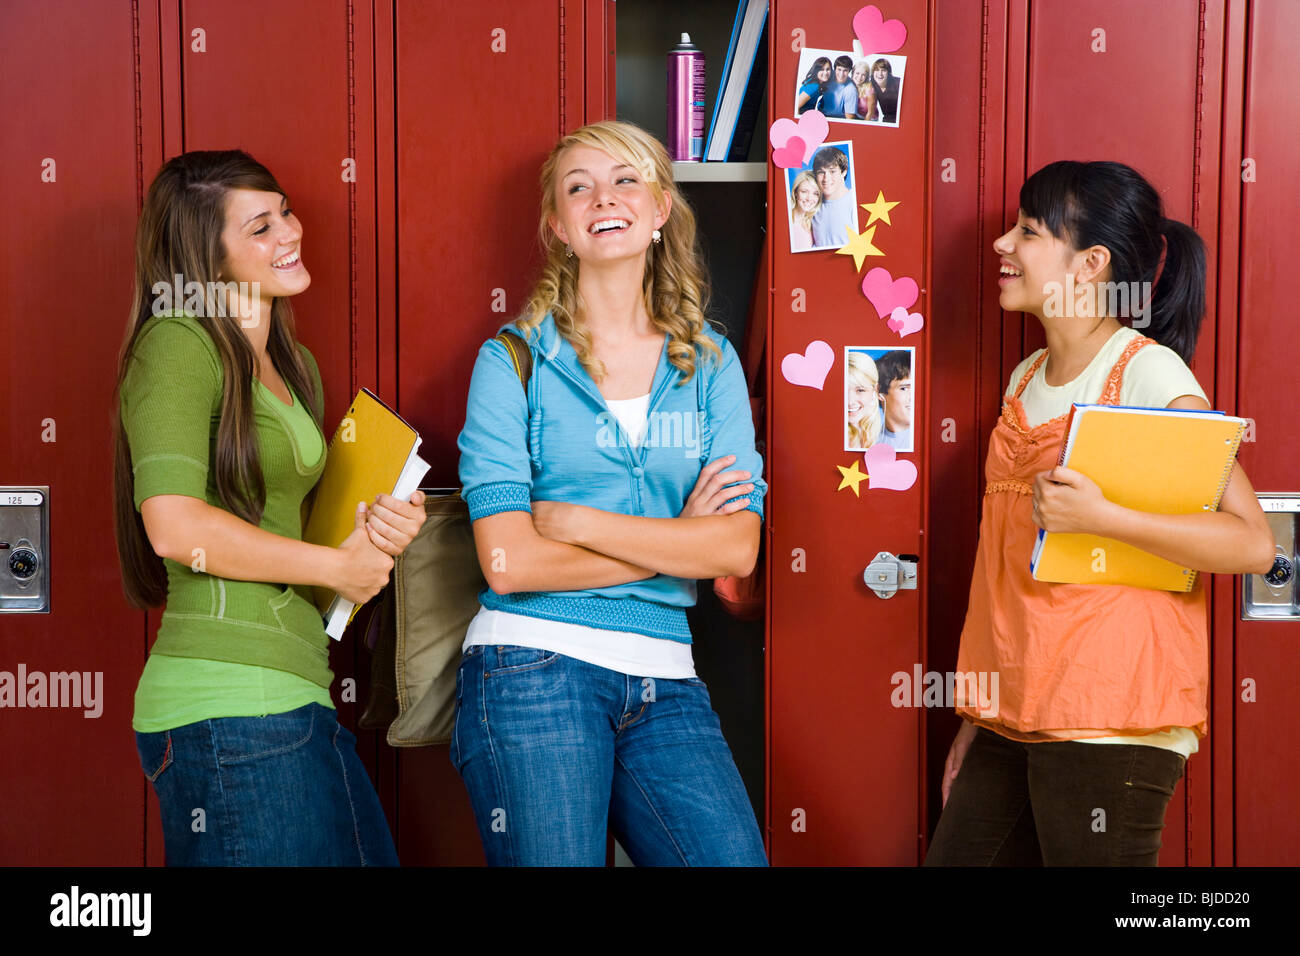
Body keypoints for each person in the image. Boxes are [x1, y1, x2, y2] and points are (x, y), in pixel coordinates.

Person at [925, 160, 1275, 866]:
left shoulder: (1148, 374)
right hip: (1015, 711)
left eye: (1026, 230)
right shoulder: (1027, 378)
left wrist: (1104, 517)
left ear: (1089, 265)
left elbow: (1252, 545)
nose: (1001, 245)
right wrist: (975, 716)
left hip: (1109, 716)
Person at [453, 120, 768, 867]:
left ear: (661, 208)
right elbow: (508, 564)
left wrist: (575, 521)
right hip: (532, 664)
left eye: (626, 179)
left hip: (667, 676)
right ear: (559, 226)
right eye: (579, 187)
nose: (605, 198)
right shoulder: (511, 363)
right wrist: (673, 547)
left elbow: (735, 546)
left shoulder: (712, 364)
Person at [113, 150, 427, 866]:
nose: (289, 231)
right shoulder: (176, 344)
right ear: (206, 257)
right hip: (226, 699)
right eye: (260, 226)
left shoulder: (294, 366)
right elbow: (172, 524)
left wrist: (380, 532)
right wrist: (335, 566)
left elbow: (300, 539)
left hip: (296, 688)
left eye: (284, 210)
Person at [809, 146, 856, 248]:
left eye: (832, 171)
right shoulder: (811, 206)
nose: (826, 178)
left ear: (844, 172)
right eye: (821, 172)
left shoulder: (855, 202)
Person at [874, 350, 913, 449]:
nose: (913, 396)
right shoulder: (869, 443)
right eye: (904, 388)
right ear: (879, 392)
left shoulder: (927, 438)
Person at [845, 350, 883, 449]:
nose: (850, 402)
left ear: (875, 390)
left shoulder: (886, 435)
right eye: (843, 389)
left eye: (860, 390)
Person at [789, 170, 820, 251]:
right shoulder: (786, 222)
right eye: (804, 192)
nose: (809, 198)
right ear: (795, 192)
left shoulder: (812, 224)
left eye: (815, 193)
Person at [823, 55, 859, 120]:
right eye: (839, 70)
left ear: (849, 71)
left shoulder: (851, 90)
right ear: (834, 69)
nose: (841, 74)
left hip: (837, 119)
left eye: (845, 71)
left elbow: (850, 120)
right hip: (821, 115)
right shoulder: (828, 77)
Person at [867, 58, 901, 124]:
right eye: (877, 70)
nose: (880, 74)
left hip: (900, 119)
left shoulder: (898, 83)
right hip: (887, 120)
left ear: (889, 73)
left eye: (883, 70)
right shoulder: (872, 84)